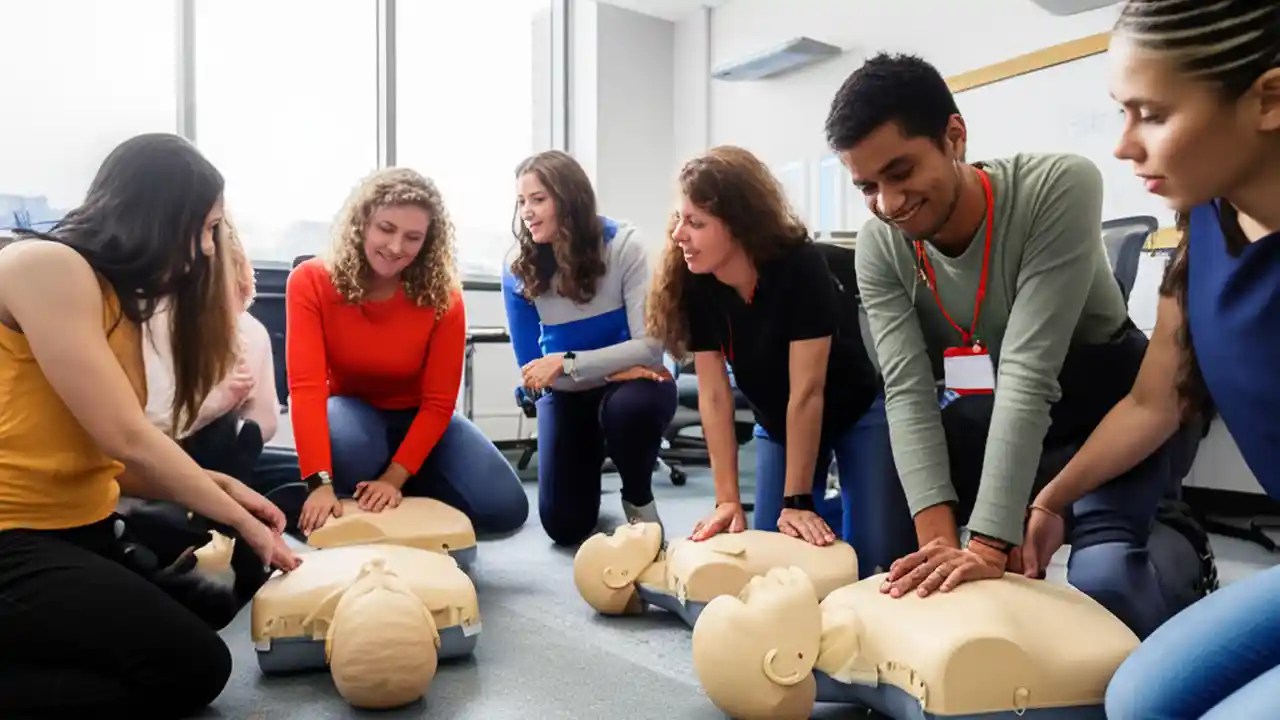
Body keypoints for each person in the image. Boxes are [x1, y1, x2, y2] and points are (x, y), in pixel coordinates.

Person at [825, 52, 1214, 637]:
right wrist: (940, 552)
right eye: (867, 187)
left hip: (1116, 400)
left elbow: (1034, 371)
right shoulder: (882, 243)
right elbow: (907, 390)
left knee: (1108, 583)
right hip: (1016, 404)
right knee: (886, 555)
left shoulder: (1057, 184)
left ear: (954, 136)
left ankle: (1174, 537)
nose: (888, 203)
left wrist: (985, 545)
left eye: (901, 172)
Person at [1014, 3, 1279, 717]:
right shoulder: (1205, 222)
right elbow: (1153, 403)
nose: (1125, 145)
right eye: (1121, 111)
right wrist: (1051, 499)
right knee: (1137, 698)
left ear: (1268, 98)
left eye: (1152, 114)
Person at [0, 133, 300, 717]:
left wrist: (227, 487)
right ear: (159, 214)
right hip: (12, 539)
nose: (210, 249)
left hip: (78, 527)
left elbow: (107, 459)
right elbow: (127, 436)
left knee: (207, 607)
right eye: (205, 227)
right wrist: (236, 514)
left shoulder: (117, 301)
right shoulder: (46, 265)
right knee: (195, 668)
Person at [646, 145, 916, 574]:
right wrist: (727, 500)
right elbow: (714, 396)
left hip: (854, 411)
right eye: (680, 218)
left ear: (739, 227)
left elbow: (807, 392)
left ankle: (867, 511)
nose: (679, 234)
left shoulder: (799, 266)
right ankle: (847, 513)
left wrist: (797, 501)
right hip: (778, 422)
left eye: (696, 223)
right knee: (778, 557)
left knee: (878, 560)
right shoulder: (695, 279)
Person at [289, 167, 528, 537]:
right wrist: (318, 483)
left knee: (504, 509)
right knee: (352, 449)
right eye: (386, 229)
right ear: (362, 223)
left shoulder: (444, 296)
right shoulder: (310, 280)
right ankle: (367, 492)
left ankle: (408, 479)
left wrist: (394, 479)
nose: (397, 247)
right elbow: (306, 389)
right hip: (352, 413)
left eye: (413, 237)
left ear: (427, 243)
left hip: (421, 416)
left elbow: (438, 403)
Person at [503, 150, 677, 545]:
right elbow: (534, 373)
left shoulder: (625, 246)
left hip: (633, 387)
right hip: (573, 393)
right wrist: (608, 367)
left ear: (570, 199)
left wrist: (567, 363)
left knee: (632, 406)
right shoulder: (518, 266)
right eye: (521, 202)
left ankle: (638, 500)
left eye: (538, 199)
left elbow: (651, 345)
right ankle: (588, 460)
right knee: (564, 526)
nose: (527, 212)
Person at [142, 213, 278, 483]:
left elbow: (264, 421)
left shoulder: (249, 331)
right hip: (161, 459)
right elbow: (144, 428)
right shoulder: (151, 324)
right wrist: (216, 401)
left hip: (218, 449)